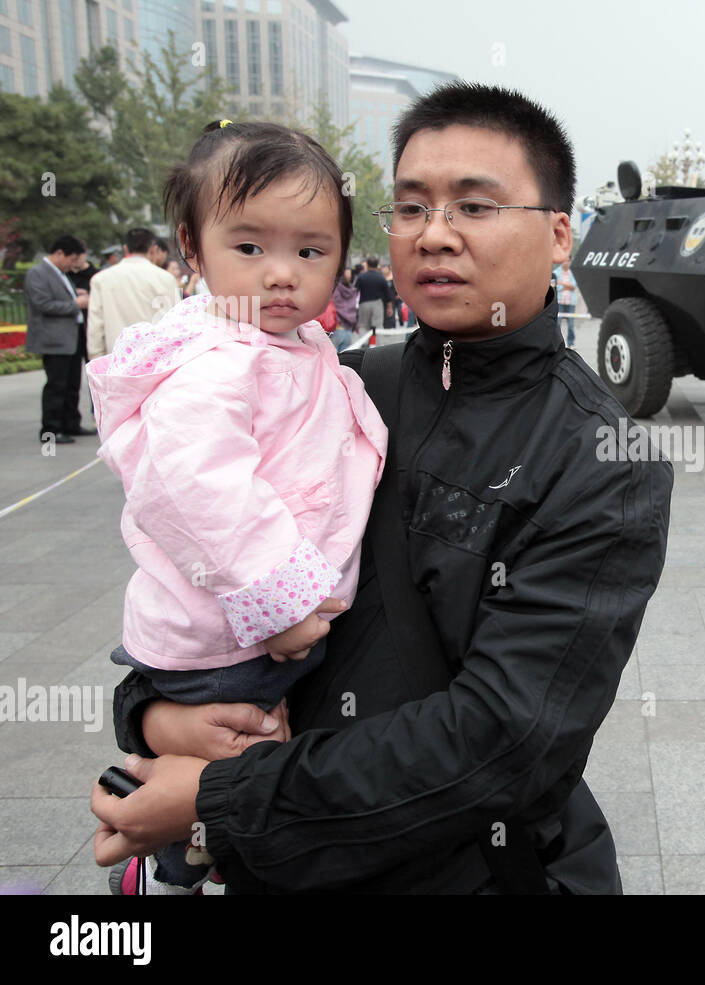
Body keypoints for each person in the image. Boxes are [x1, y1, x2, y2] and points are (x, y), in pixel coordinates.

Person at [92, 81, 674, 895]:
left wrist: (216, 799)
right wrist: (153, 714)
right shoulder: (347, 387)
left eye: (474, 207)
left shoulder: (602, 461)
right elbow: (191, 572)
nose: (435, 235)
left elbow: (504, 744)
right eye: (411, 208)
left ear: (557, 234)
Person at [86, 118, 387, 893]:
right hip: (229, 642)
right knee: (240, 771)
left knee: (251, 767)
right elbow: (201, 493)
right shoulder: (211, 366)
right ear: (192, 245)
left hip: (262, 637)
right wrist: (281, 599)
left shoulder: (297, 346)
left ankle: (179, 846)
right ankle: (165, 868)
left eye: (310, 251)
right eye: (249, 248)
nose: (281, 274)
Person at [24, 235, 91, 444]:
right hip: (54, 340)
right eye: (71, 259)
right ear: (59, 253)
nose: (73, 265)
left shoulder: (61, 273)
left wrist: (74, 294)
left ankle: (71, 423)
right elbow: (42, 304)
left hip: (70, 337)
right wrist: (76, 303)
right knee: (56, 385)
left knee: (72, 384)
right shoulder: (38, 273)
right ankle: (51, 430)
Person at [86, 227, 182, 361]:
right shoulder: (165, 279)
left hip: (116, 360)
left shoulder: (101, 280)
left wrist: (96, 359)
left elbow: (95, 327)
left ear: (125, 249)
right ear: (153, 249)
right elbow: (176, 322)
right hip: (156, 361)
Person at [354, 256, 387, 337]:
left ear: (368, 265)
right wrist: (389, 307)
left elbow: (355, 291)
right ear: (377, 265)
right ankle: (379, 346)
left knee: (363, 325)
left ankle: (364, 344)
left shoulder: (361, 277)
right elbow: (387, 293)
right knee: (378, 326)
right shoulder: (381, 277)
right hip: (377, 304)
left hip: (364, 304)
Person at [330, 265, 359, 351]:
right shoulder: (352, 290)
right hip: (349, 329)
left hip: (336, 328)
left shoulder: (335, 289)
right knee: (345, 359)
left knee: (332, 360)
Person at [556, 257, 578, 346]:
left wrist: (561, 283)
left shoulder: (573, 273)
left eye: (568, 261)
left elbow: (573, 287)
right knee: (557, 324)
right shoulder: (556, 273)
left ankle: (571, 343)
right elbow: (556, 287)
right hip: (560, 302)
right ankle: (558, 343)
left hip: (570, 302)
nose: (566, 263)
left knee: (571, 325)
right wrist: (566, 286)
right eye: (565, 260)